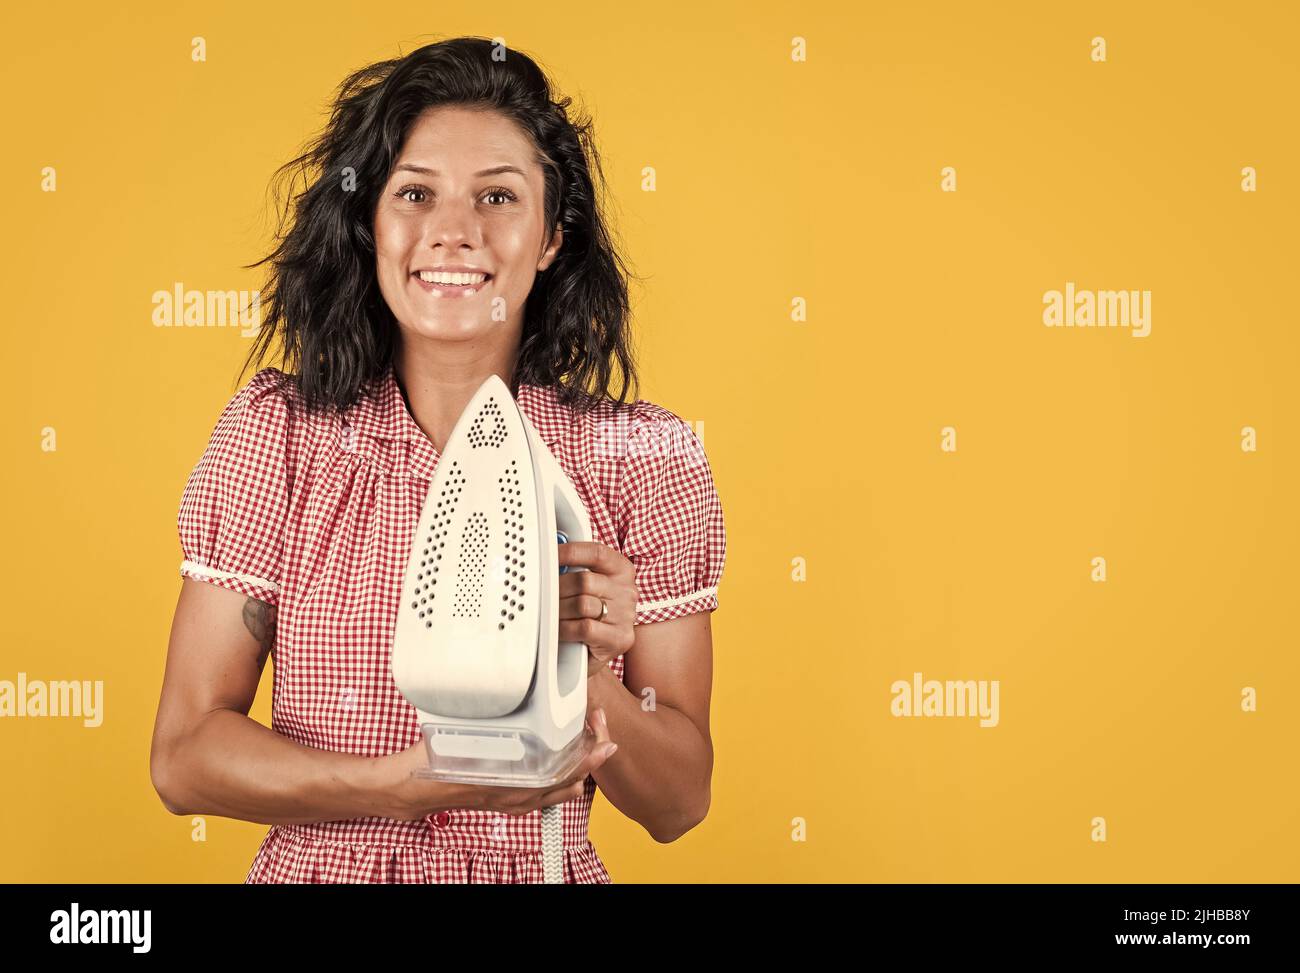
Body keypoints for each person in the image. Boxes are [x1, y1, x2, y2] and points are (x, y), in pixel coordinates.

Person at [149, 36, 726, 883]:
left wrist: (571, 670)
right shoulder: (279, 438)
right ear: (371, 225)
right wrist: (396, 788)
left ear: (551, 237)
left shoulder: (644, 457)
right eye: (415, 193)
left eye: (498, 196)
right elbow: (184, 755)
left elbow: (678, 802)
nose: (453, 232)